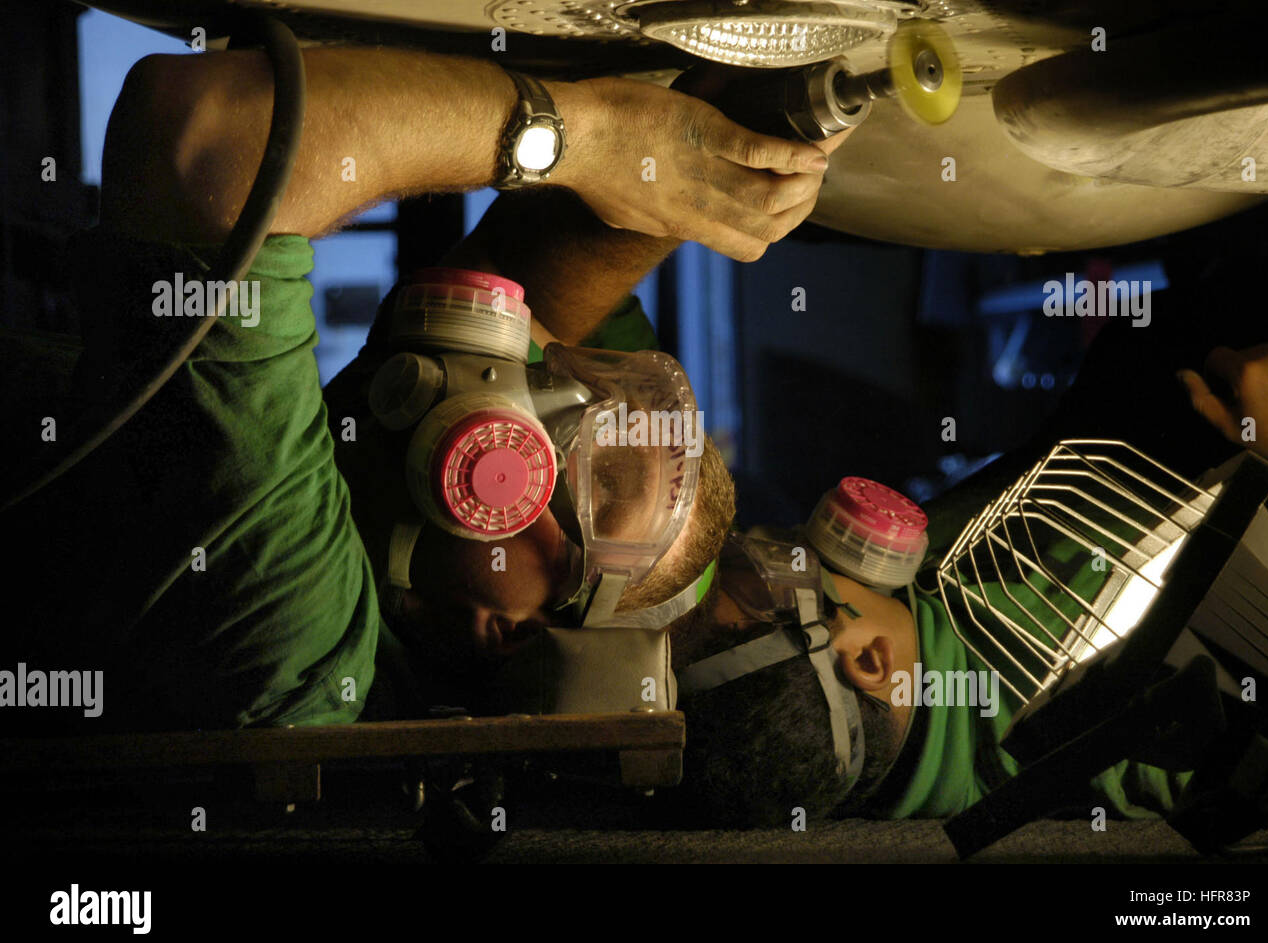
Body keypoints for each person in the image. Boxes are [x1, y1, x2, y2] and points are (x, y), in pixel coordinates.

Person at [2, 45, 839, 732]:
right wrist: (750, 132)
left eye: (592, 475)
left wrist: (582, 139)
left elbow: (204, 131)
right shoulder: (424, 554)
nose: (549, 369)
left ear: (510, 632)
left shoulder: (299, 657)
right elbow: (582, 244)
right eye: (583, 385)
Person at [664, 326, 1268, 828]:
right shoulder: (1153, 731)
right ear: (869, 660)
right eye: (783, 573)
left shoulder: (923, 625)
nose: (803, 544)